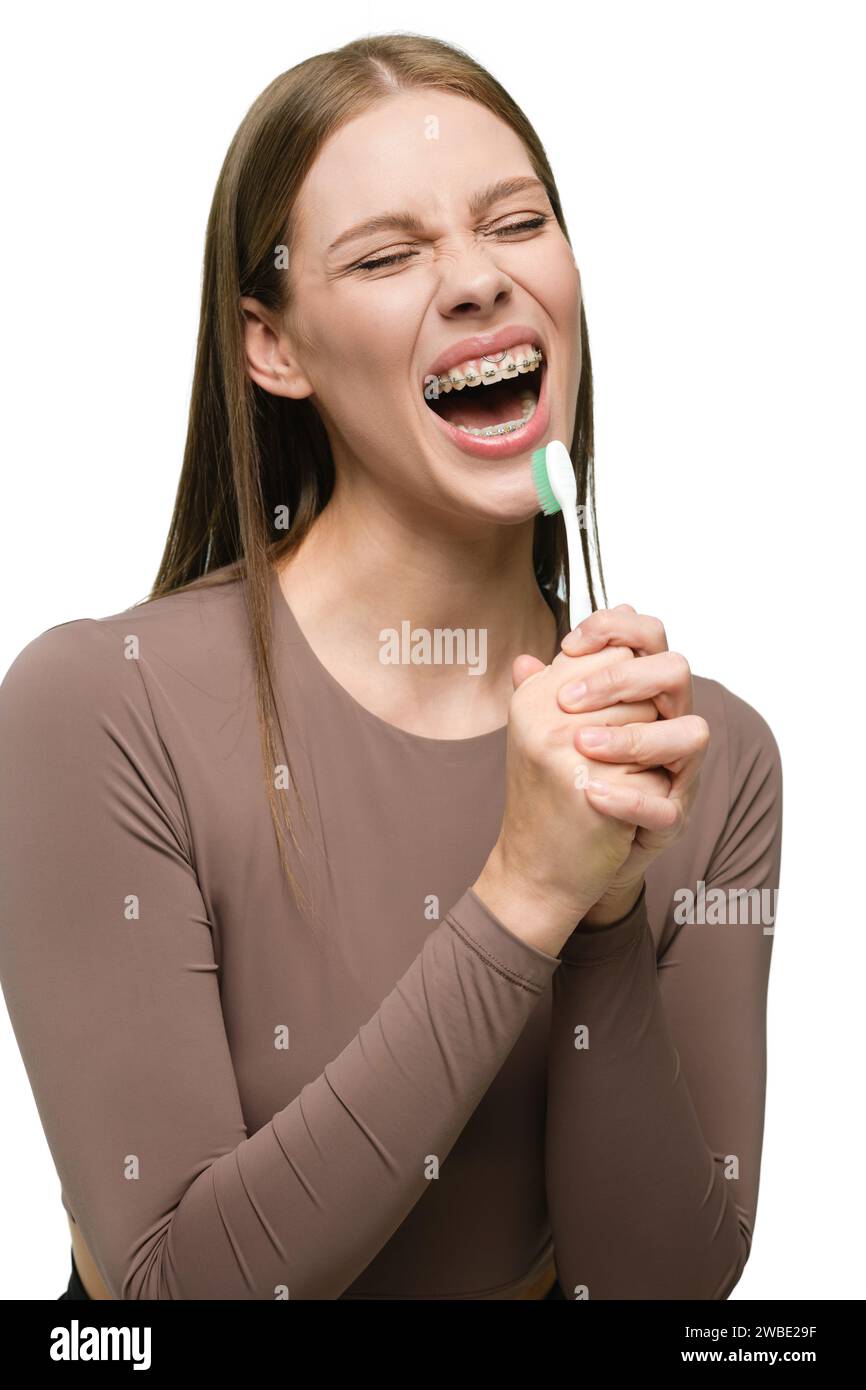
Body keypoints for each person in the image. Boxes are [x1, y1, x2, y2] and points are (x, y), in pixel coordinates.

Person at [0, 33, 781, 1301]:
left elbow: (661, 1303)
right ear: (273, 348)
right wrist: (525, 889)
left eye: (514, 224)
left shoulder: (706, 756)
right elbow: (164, 1298)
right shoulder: (101, 705)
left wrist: (604, 911)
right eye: (386, 253)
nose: (476, 280)